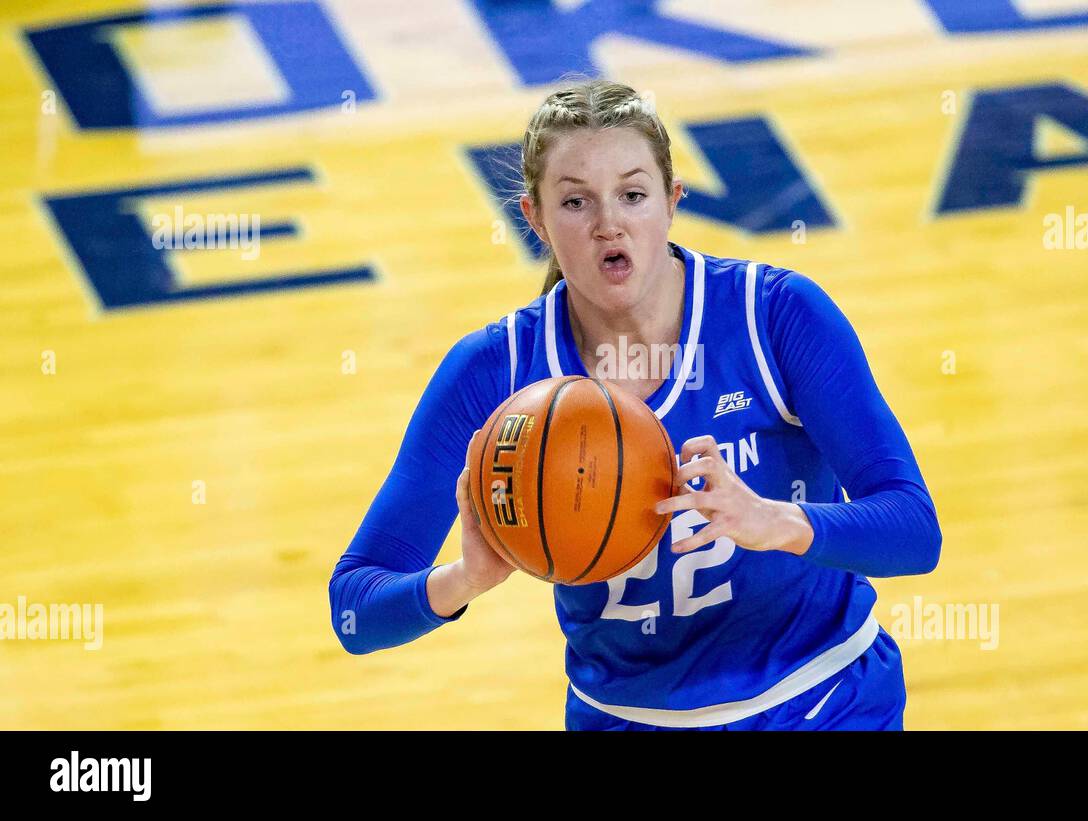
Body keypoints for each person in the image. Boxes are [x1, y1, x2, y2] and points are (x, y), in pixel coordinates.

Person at [329, 79, 941, 730]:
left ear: (672, 202)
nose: (608, 223)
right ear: (532, 217)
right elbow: (354, 611)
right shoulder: (493, 373)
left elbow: (914, 530)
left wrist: (775, 521)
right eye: (574, 201)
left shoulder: (776, 317)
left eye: (632, 194)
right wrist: (464, 578)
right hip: (627, 716)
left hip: (824, 700)